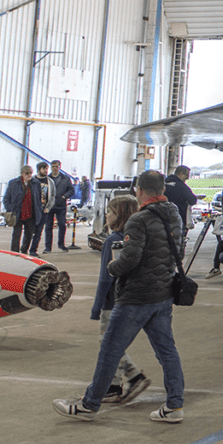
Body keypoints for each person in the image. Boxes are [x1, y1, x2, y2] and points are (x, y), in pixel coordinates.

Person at [53, 169, 185, 422]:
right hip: (163, 293)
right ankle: (174, 407)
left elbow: (130, 260)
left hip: (136, 296)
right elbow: (177, 249)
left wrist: (112, 267)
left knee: (110, 350)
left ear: (139, 191)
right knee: (167, 351)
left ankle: (89, 405)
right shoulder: (174, 215)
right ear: (163, 190)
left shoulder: (139, 220)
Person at [90, 194, 151, 406]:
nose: (106, 215)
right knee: (111, 342)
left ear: (121, 215)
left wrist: (97, 306)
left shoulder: (112, 240)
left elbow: (105, 277)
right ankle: (120, 382)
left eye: (111, 211)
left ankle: (125, 380)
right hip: (130, 297)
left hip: (112, 300)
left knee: (107, 342)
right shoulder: (135, 237)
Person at [3, 165, 44, 255]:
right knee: (16, 234)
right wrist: (10, 209)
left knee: (29, 234)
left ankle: (24, 251)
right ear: (22, 174)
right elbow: (6, 198)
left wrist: (39, 210)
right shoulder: (13, 183)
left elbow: (38, 198)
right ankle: (15, 253)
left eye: (30, 173)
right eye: (27, 173)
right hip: (17, 213)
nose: (29, 175)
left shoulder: (35, 183)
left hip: (30, 213)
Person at [49, 160, 75, 251]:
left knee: (62, 225)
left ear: (60, 167)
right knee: (48, 226)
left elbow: (71, 190)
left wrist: (64, 196)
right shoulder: (47, 179)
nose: (54, 168)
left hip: (61, 205)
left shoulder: (66, 179)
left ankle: (61, 244)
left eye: (56, 166)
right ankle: (48, 247)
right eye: (53, 166)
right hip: (49, 206)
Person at [165, 165, 198, 236]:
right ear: (181, 174)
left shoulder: (163, 184)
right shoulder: (182, 187)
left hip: (164, 218)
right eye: (187, 175)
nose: (188, 178)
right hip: (179, 218)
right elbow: (192, 200)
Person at [32, 161, 57, 252]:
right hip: (33, 210)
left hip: (44, 210)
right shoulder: (33, 180)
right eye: (44, 169)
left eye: (47, 169)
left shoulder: (50, 181)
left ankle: (33, 250)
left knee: (39, 232)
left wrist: (48, 208)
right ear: (39, 170)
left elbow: (53, 195)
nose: (46, 171)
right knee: (30, 232)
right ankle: (24, 250)